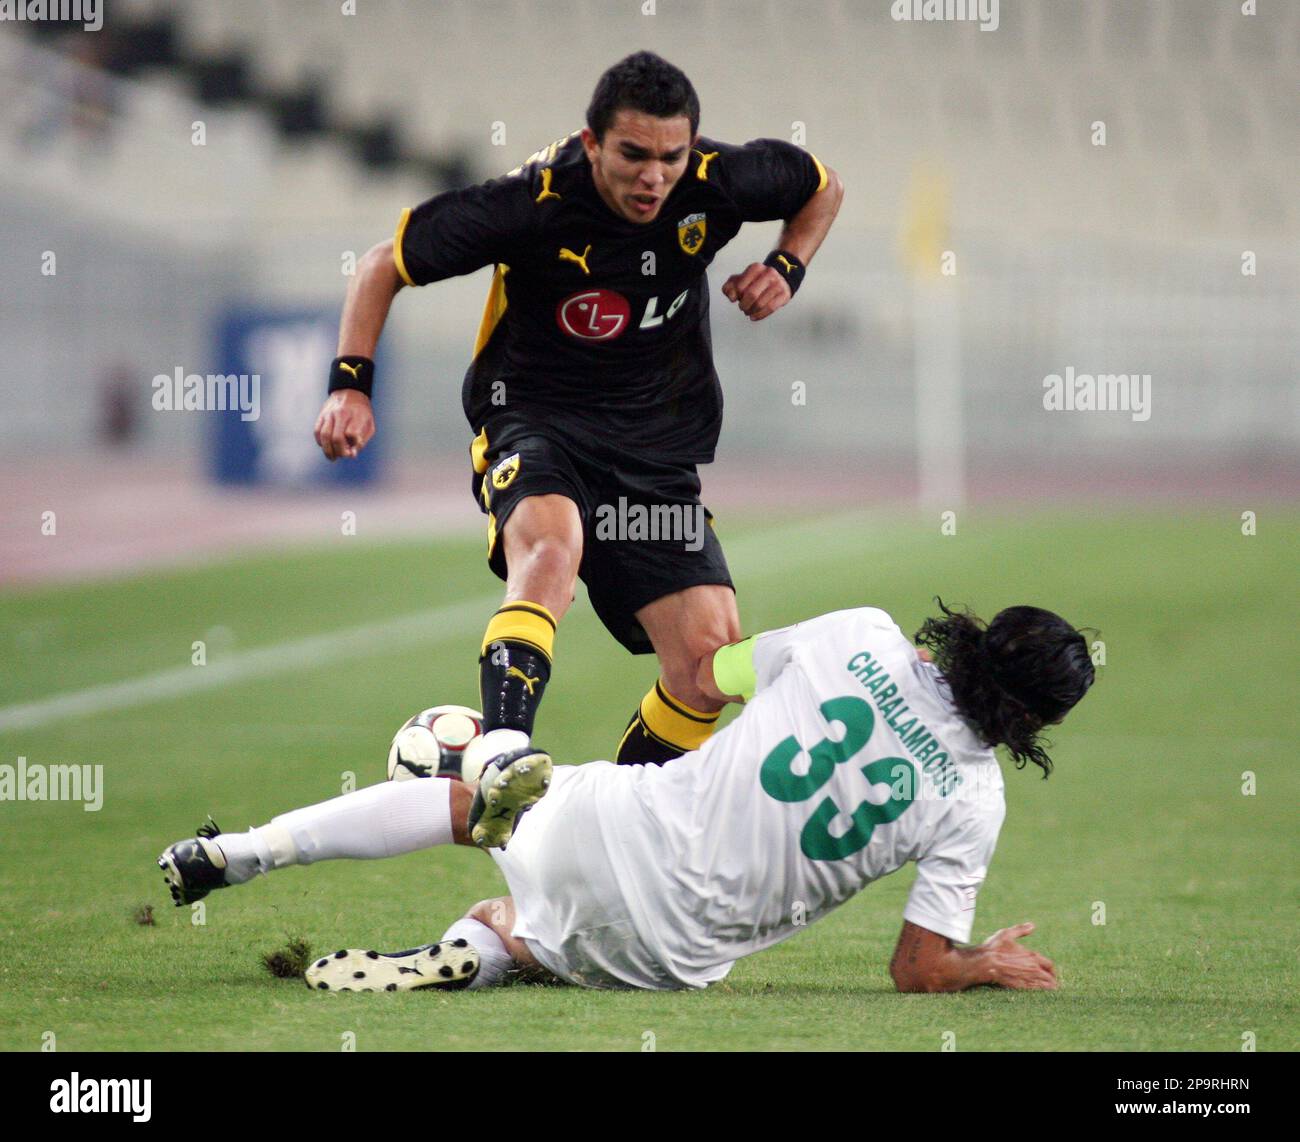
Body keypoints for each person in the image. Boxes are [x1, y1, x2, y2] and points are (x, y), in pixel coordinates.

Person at [312, 50, 844, 766]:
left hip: (654, 448)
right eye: (631, 155)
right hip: (538, 418)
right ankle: (502, 757)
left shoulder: (722, 180)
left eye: (670, 156)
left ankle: (616, 827)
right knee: (553, 550)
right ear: (592, 143)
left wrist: (787, 266)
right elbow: (383, 265)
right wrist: (350, 384)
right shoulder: (531, 203)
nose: (653, 177)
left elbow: (823, 186)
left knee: (704, 668)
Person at [159, 600, 1094, 994]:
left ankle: (245, 850)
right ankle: (479, 949)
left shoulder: (864, 634)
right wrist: (982, 966)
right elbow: (914, 970)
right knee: (519, 924)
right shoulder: (974, 799)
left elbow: (712, 672)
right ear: (1034, 724)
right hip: (673, 954)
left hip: (618, 817)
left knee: (471, 796)